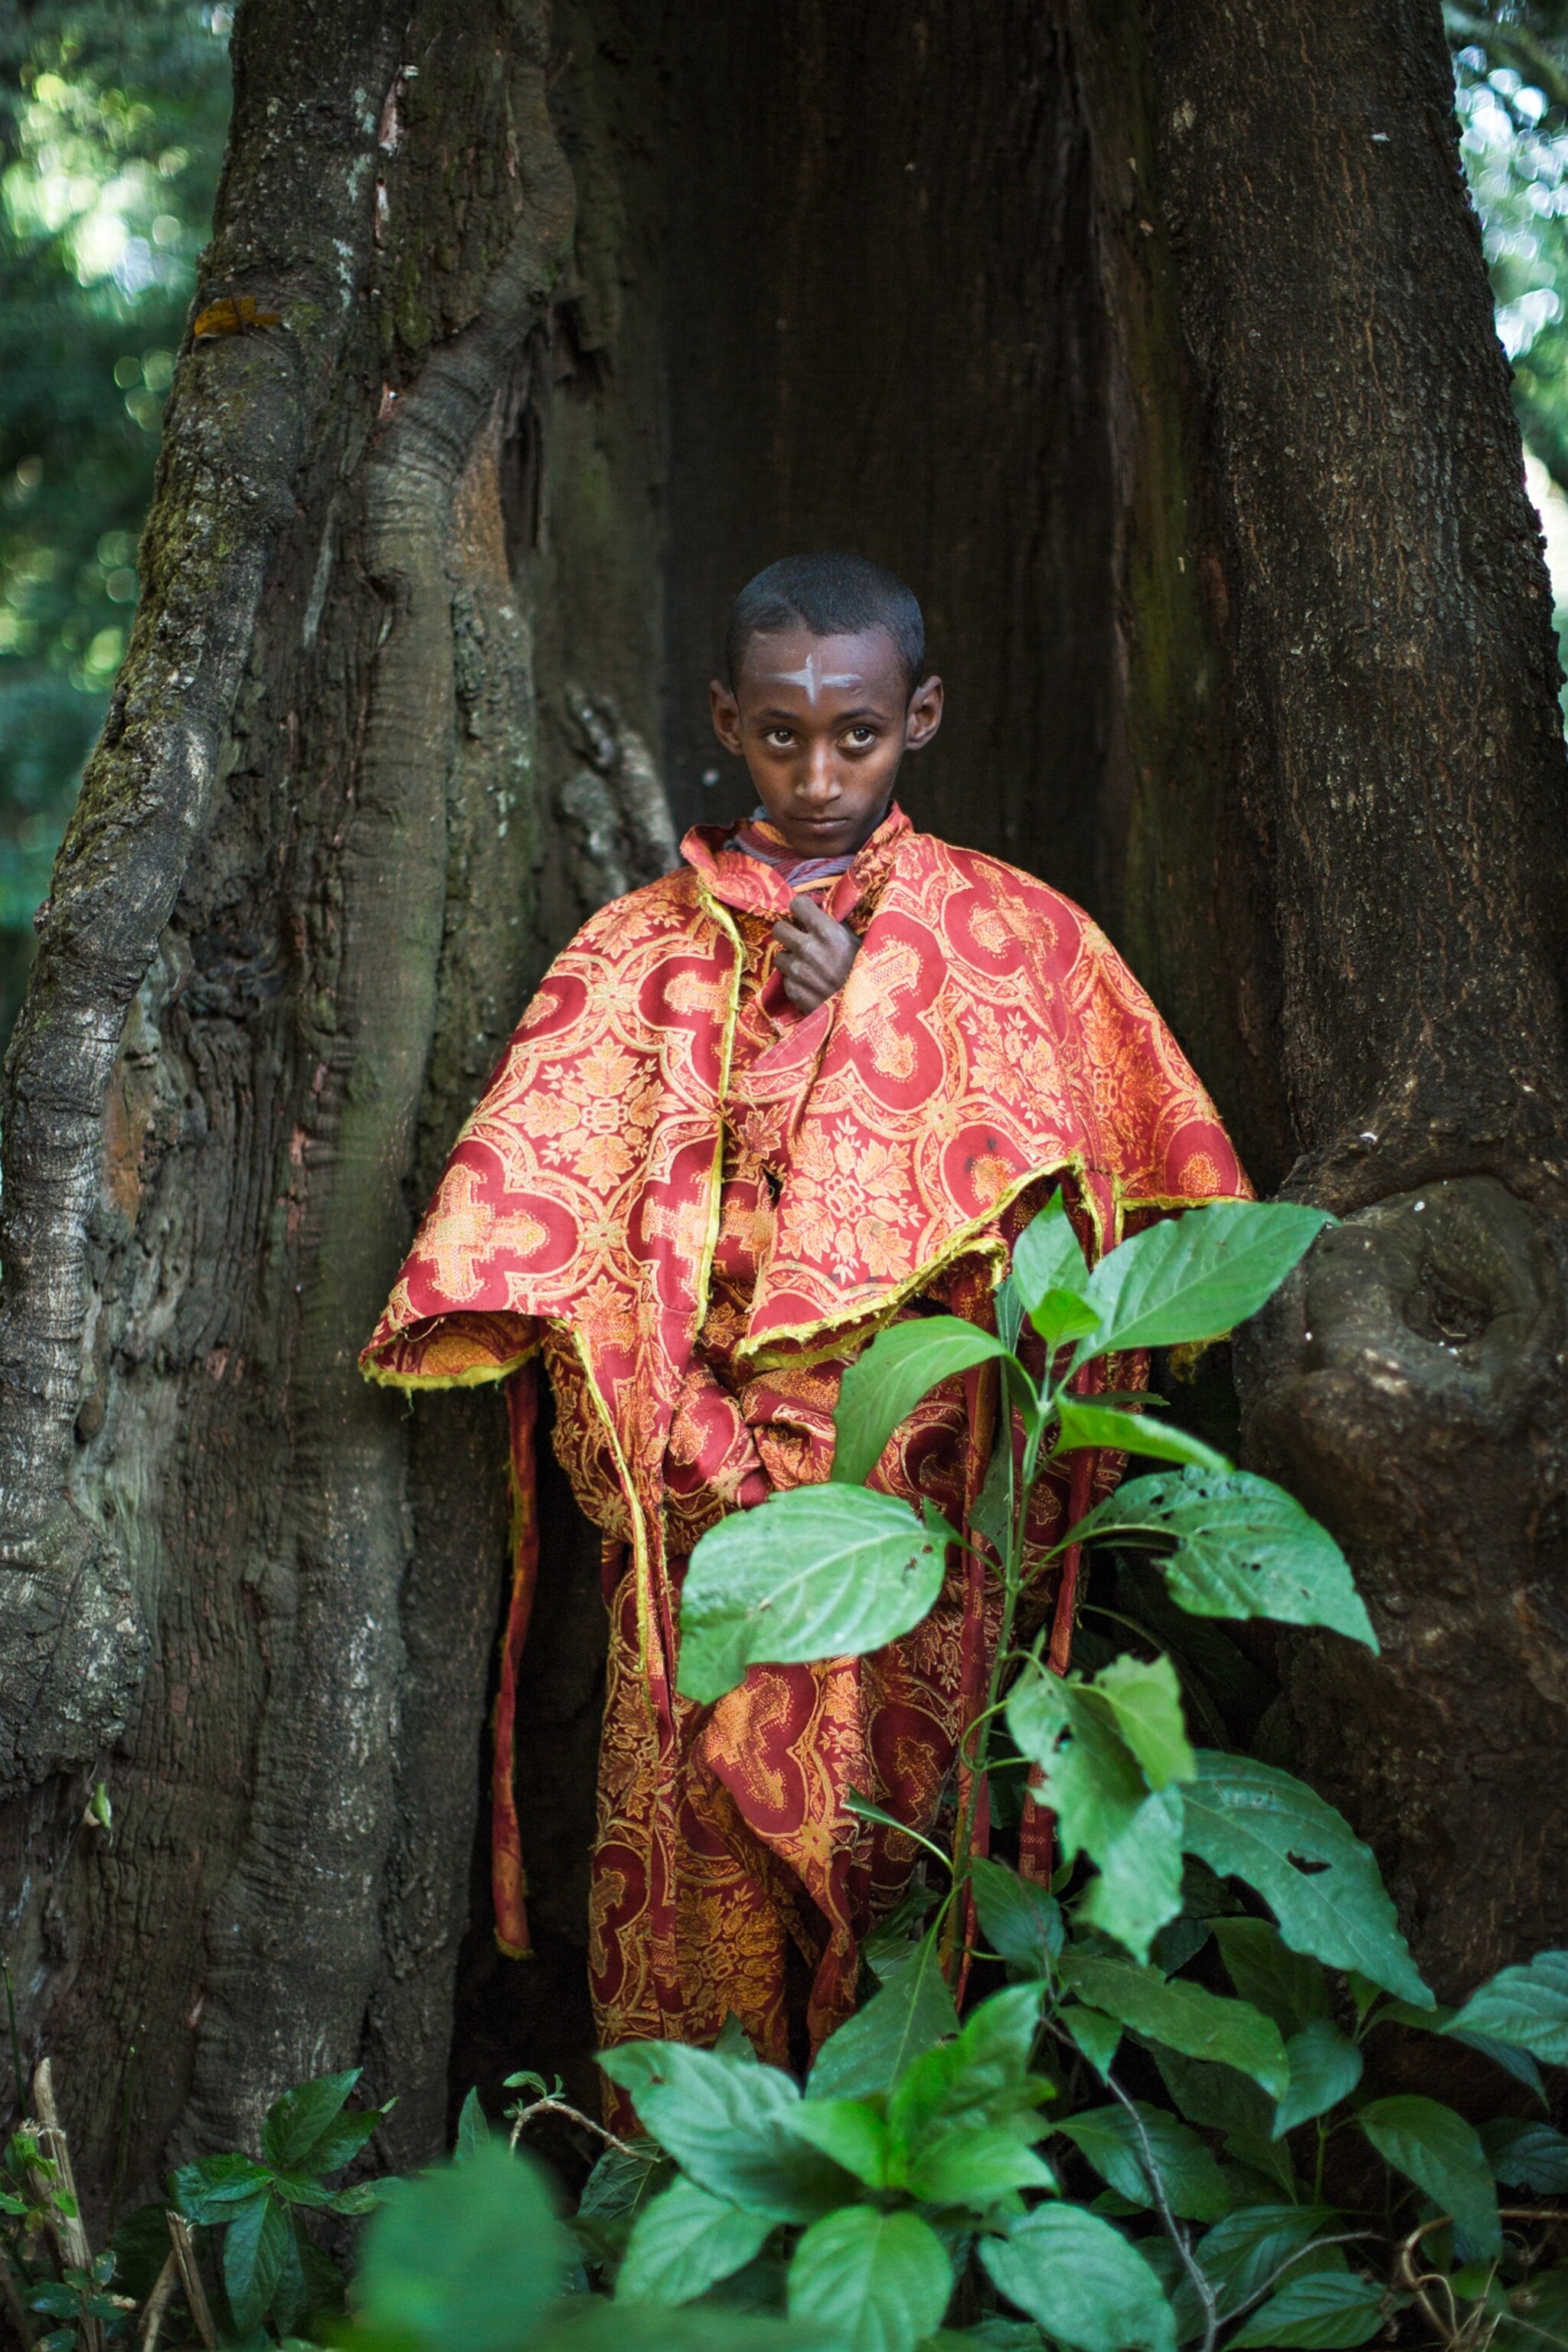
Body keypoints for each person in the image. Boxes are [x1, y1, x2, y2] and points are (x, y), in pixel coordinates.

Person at [361, 552, 1246, 2080]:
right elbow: (555, 1228)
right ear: (724, 719)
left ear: (924, 717)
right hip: (700, 1517)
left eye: (859, 736)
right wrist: (675, 1442)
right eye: (780, 736)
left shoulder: (1014, 940)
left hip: (919, 1513)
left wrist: (854, 1028)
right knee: (696, 1875)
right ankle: (694, 2222)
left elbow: (1101, 1222)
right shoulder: (632, 953)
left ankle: (909, 2213)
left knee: (910, 1846)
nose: (819, 772)